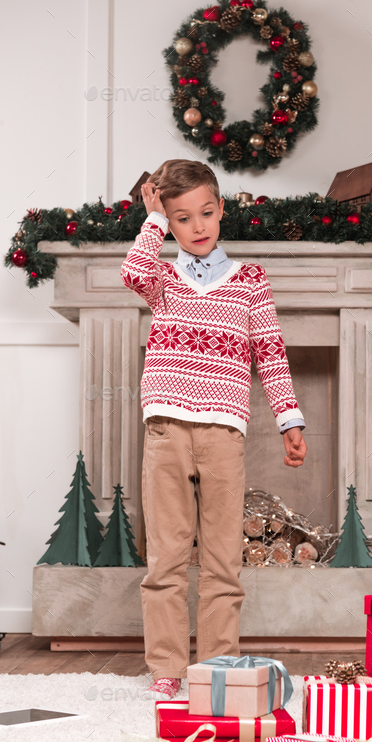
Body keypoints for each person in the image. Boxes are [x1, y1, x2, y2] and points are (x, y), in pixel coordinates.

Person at [120, 159, 307, 700]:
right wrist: (152, 219)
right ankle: (166, 672)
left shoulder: (250, 281)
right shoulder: (164, 278)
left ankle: (217, 670)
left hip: (224, 432)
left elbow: (270, 354)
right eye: (182, 218)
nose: (197, 226)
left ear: (221, 209)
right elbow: (133, 273)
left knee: (224, 556)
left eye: (206, 213)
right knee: (167, 555)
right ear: (169, 224)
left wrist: (289, 420)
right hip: (166, 428)